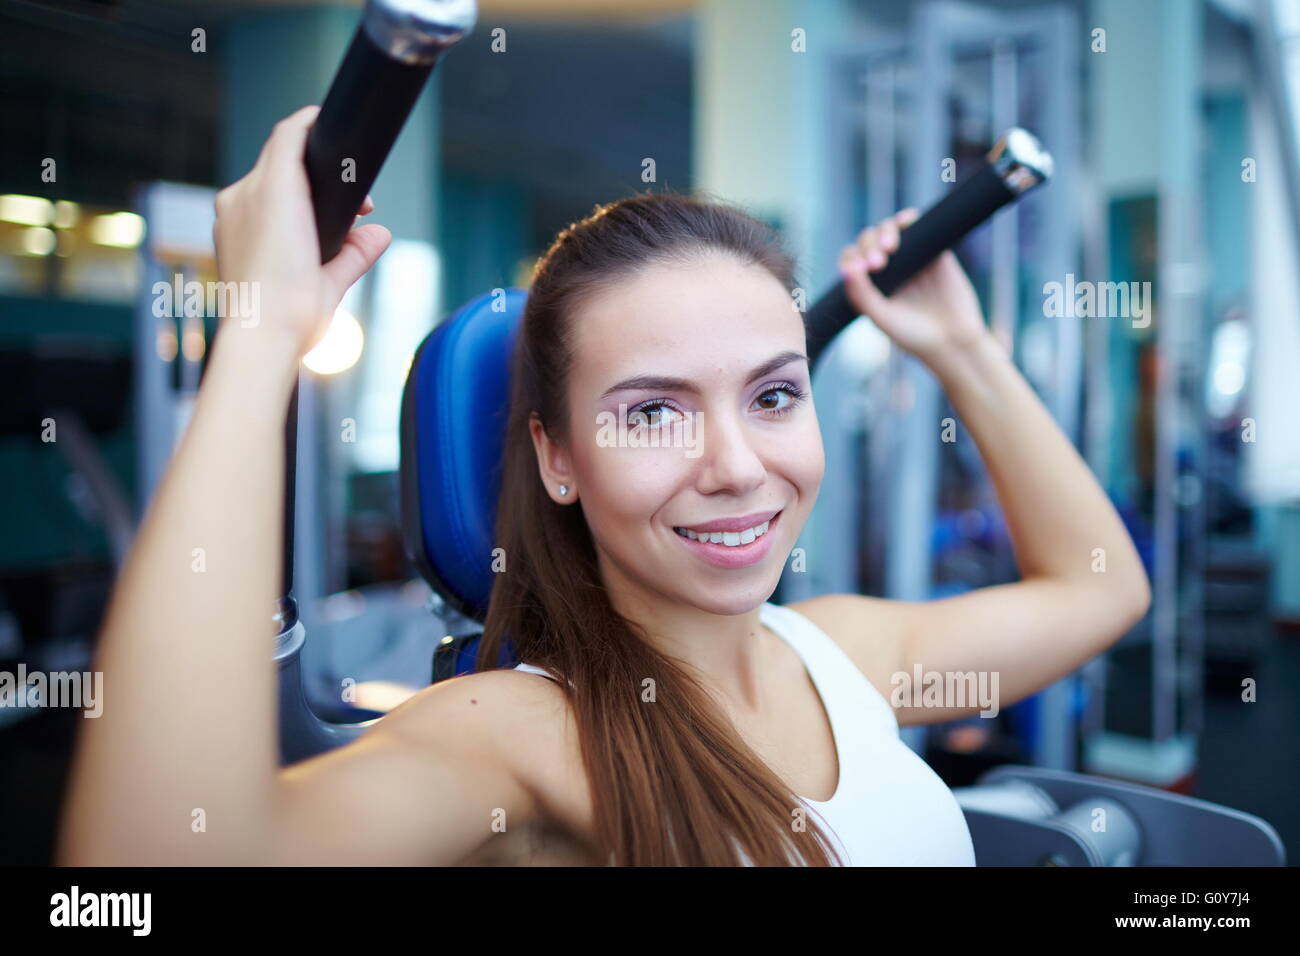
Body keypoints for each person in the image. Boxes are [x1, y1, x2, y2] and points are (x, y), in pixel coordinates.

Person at [56, 105, 1151, 867]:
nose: (735, 464)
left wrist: (963, 348)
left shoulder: (847, 656)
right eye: (654, 410)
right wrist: (258, 334)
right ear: (556, 458)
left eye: (772, 395)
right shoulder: (520, 732)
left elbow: (1101, 590)